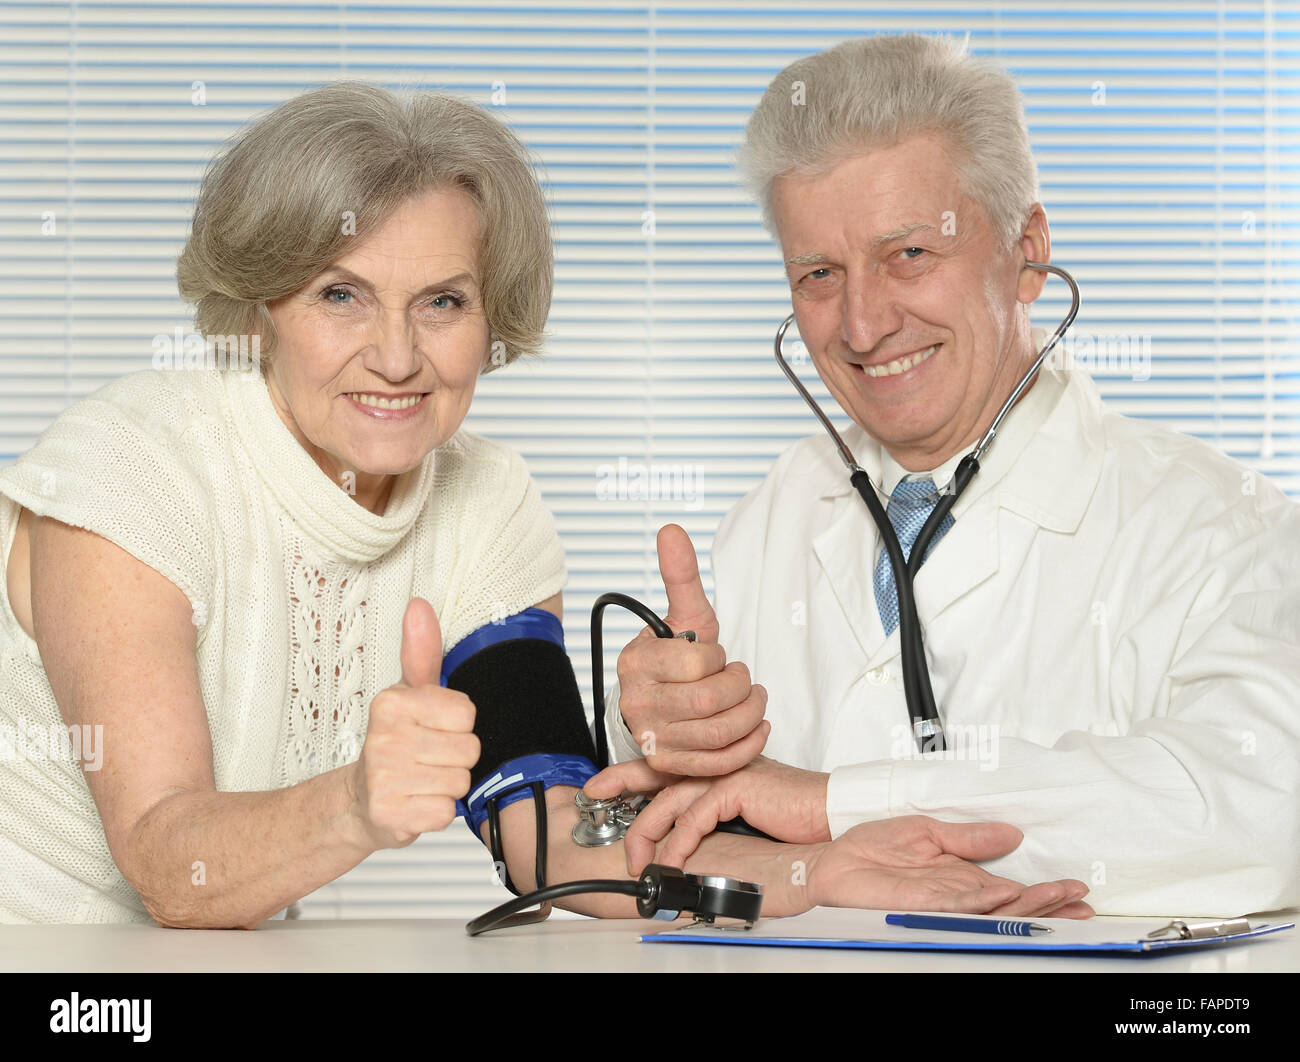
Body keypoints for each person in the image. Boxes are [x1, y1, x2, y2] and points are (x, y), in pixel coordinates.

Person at [0, 79, 1091, 926]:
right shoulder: (133, 468)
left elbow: (553, 841)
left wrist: (811, 868)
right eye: (341, 295)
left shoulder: (485, 504)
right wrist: (355, 805)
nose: (395, 355)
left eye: (442, 301)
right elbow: (167, 863)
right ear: (259, 305)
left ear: (493, 316)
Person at [592, 34, 1300, 917]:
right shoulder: (769, 521)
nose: (861, 325)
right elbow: (669, 829)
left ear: (1028, 252)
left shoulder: (1216, 525)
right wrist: (663, 730)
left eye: (909, 255)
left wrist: (827, 801)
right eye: (818, 274)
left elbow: (1261, 814)